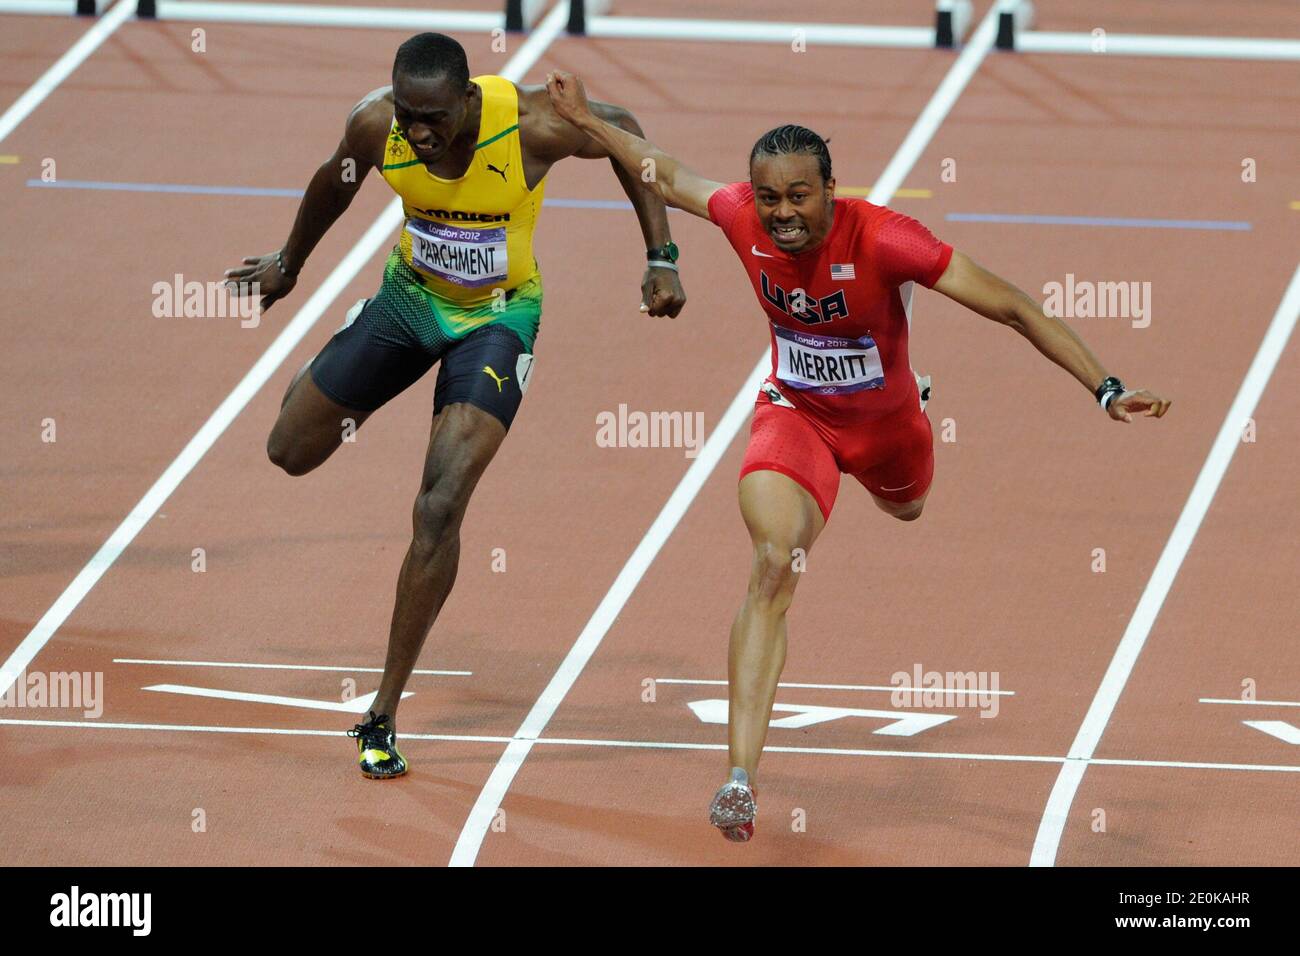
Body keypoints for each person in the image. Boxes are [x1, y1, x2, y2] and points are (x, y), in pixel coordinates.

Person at [543, 69, 1172, 842]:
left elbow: (1012, 304)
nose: (781, 215)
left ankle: (917, 406)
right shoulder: (739, 215)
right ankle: (740, 777)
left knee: (907, 507)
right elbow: (660, 167)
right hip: (796, 414)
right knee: (774, 562)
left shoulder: (885, 238)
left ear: (830, 189)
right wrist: (585, 119)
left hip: (887, 428)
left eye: (798, 197)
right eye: (768, 198)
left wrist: (1105, 387)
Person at [223, 34, 686, 779]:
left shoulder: (532, 124)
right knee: (289, 452)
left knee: (438, 507)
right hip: (408, 301)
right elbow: (336, 181)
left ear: (468, 100)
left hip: (498, 321)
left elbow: (627, 132)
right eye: (410, 115)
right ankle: (349, 336)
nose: (421, 132)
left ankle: (382, 712)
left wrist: (660, 256)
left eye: (434, 116)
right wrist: (290, 261)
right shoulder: (379, 125)